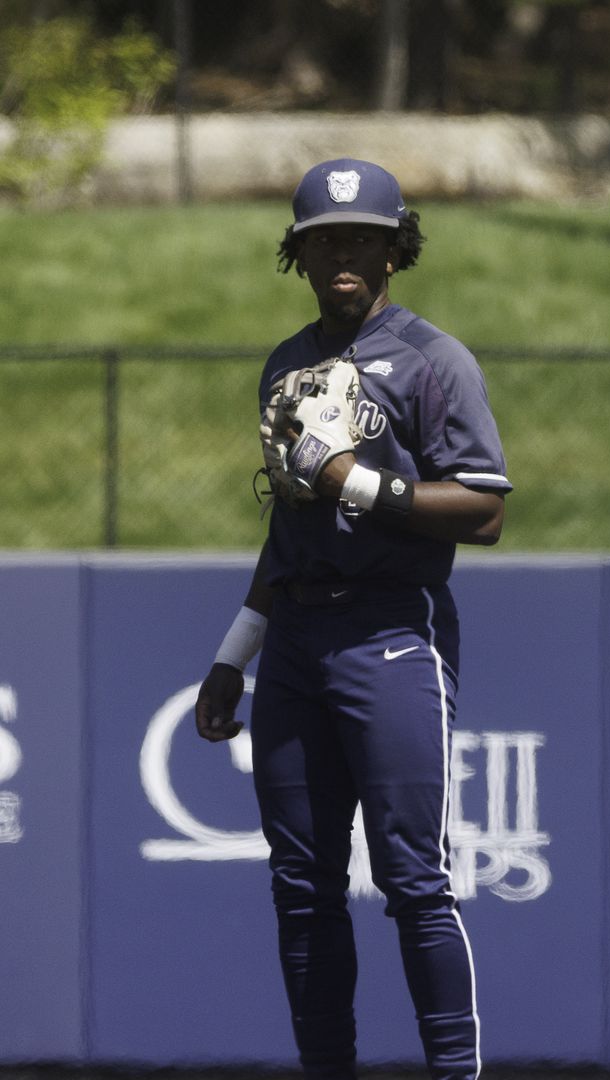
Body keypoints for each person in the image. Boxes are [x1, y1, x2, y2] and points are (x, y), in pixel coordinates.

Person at [192, 158, 511, 1080]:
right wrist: (232, 654)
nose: (343, 253)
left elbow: (485, 512)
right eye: (324, 238)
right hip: (293, 640)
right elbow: (288, 528)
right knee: (302, 890)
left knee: (415, 883)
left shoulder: (433, 359)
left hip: (390, 634)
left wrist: (355, 480)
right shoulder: (286, 363)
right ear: (298, 253)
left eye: (363, 238)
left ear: (393, 250)